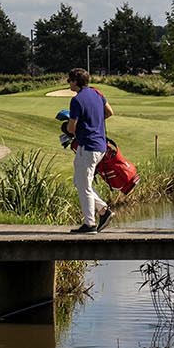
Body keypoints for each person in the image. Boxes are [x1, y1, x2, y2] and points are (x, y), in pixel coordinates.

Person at [63, 67, 115, 234]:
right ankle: (103, 210)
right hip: (100, 146)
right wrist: (93, 122)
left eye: (70, 80)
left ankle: (90, 224)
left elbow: (71, 128)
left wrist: (67, 127)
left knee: (84, 185)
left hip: (87, 147)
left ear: (75, 82)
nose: (69, 83)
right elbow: (109, 112)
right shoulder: (97, 93)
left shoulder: (77, 100)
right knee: (80, 182)